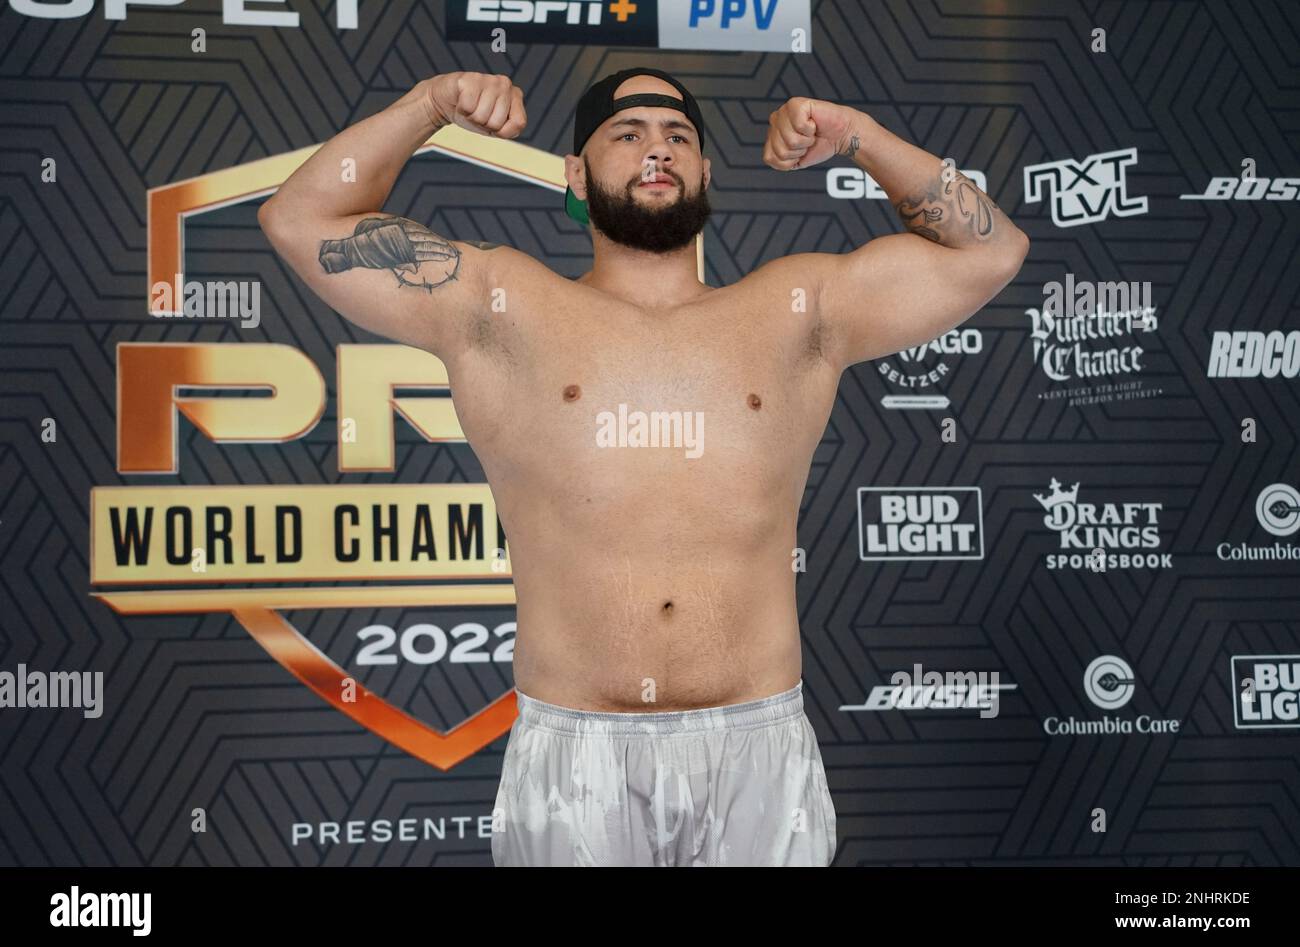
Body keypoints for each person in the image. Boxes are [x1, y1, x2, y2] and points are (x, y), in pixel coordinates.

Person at [258, 67, 1029, 866]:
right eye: (627, 135)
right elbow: (300, 218)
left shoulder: (801, 308)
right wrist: (427, 108)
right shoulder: (496, 304)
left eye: (679, 138)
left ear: (705, 173)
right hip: (575, 754)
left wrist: (857, 136)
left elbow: (991, 250)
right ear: (575, 175)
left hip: (755, 749)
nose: (656, 150)